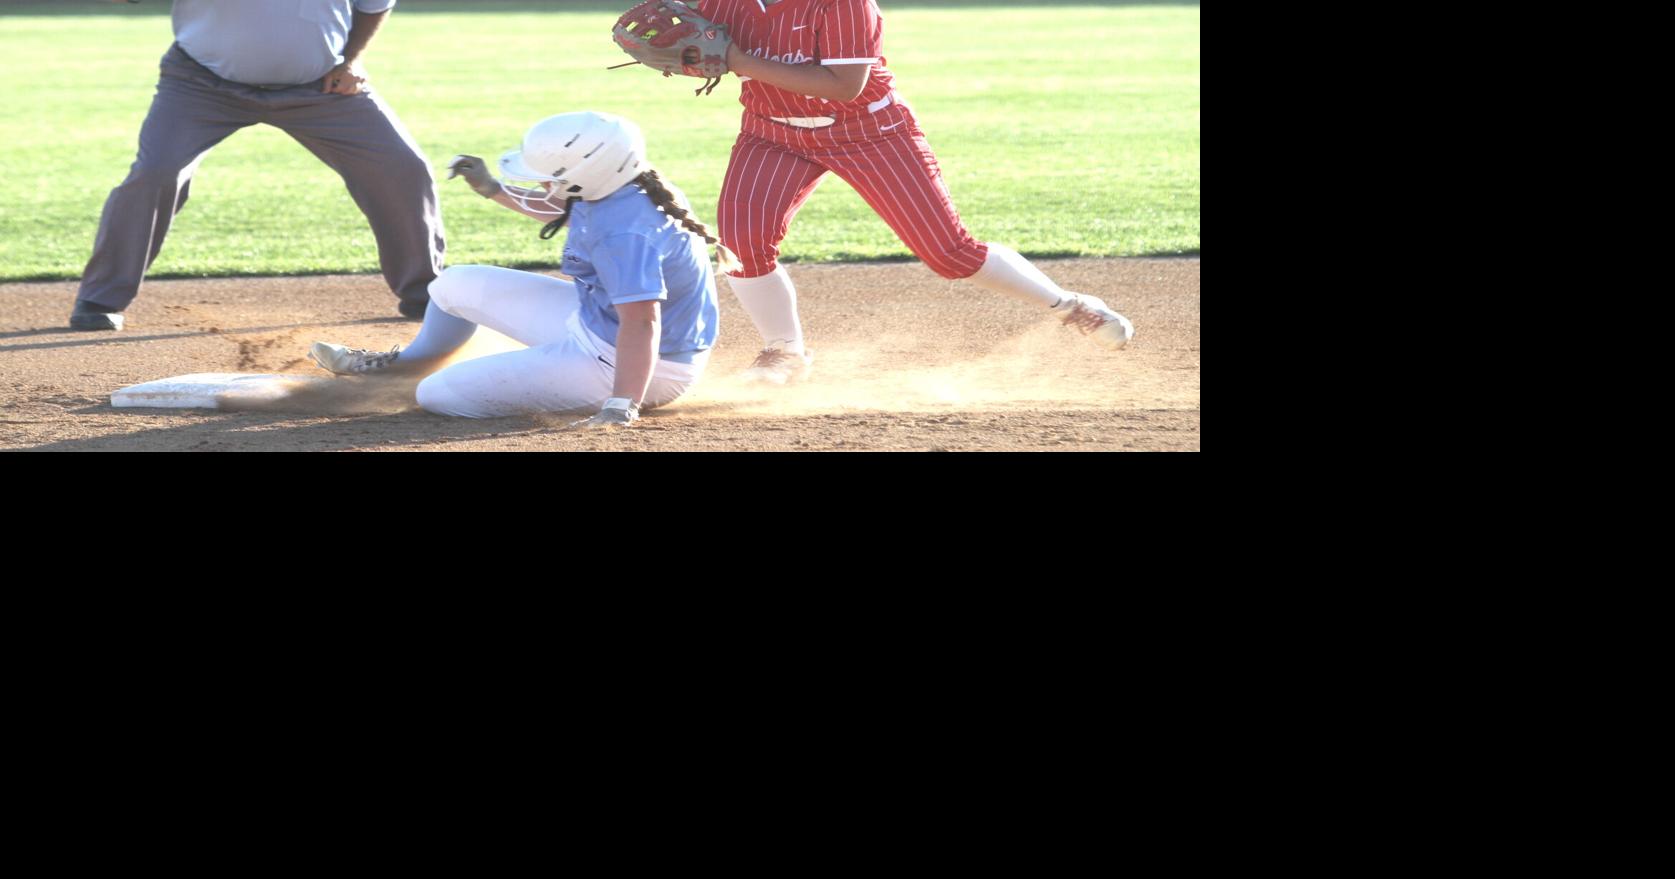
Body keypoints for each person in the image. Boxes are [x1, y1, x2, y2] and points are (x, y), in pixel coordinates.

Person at [690, 0, 1133, 383]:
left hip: (870, 131)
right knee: (741, 242)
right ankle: (784, 352)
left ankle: (1069, 306)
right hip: (771, 133)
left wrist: (737, 60)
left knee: (949, 253)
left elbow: (845, 85)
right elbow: (697, 42)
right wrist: (684, 51)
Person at [306, 111, 726, 428]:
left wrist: (621, 404)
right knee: (454, 284)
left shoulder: (625, 235)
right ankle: (409, 361)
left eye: (548, 176)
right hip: (601, 328)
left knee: (438, 394)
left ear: (585, 175)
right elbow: (564, 206)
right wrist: (493, 189)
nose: (542, 182)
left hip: (635, 364)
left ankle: (581, 382)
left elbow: (642, 324)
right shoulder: (622, 187)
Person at [71, 0, 444, 331]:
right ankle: (101, 298)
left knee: (402, 168)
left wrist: (351, 59)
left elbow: (373, 4)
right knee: (155, 172)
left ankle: (424, 292)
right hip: (201, 85)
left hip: (322, 87)